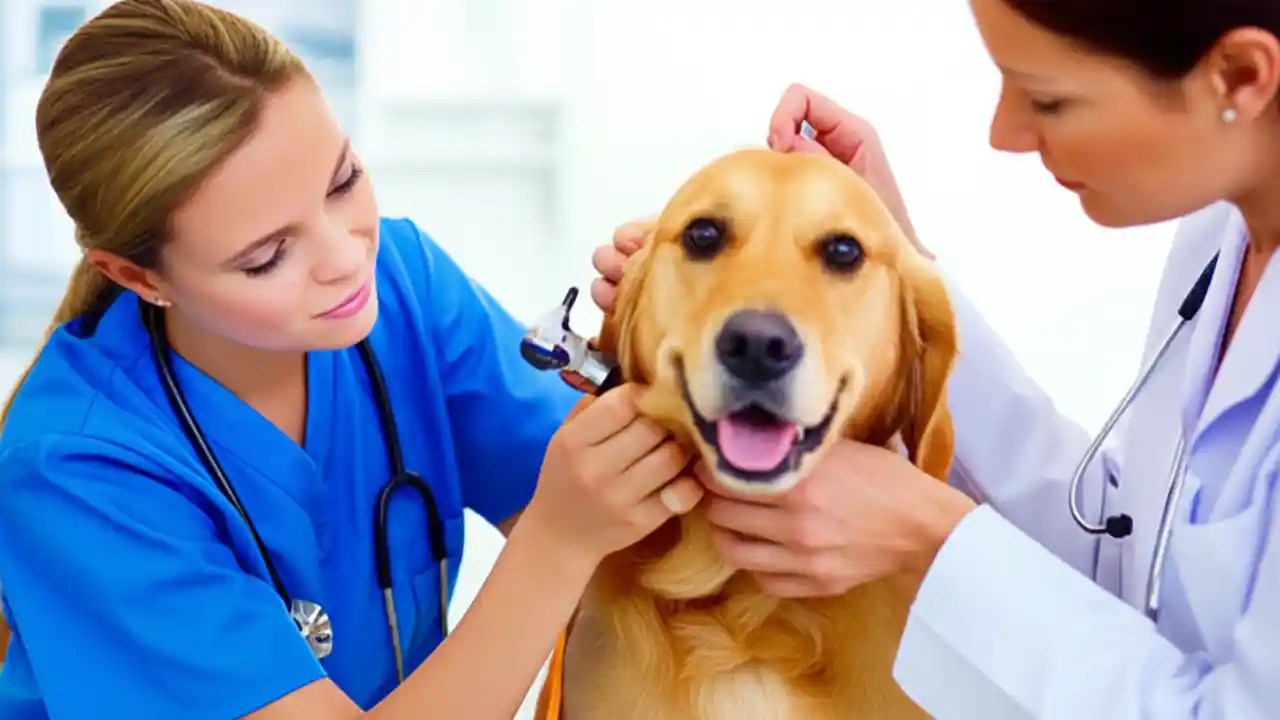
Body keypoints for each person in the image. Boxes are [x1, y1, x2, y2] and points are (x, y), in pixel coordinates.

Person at [0, 1, 706, 718]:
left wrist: (680, 327)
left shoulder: (402, 284)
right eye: (268, 256)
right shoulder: (75, 472)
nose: (345, 258)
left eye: (342, 182)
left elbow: (657, 545)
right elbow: (568, 527)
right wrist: (558, 541)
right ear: (137, 277)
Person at [594, 0, 1279, 716]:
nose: (1003, 132)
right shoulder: (1223, 237)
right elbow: (1134, 551)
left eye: (1047, 96)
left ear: (1238, 77)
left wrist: (930, 535)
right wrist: (889, 267)